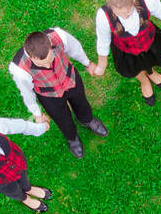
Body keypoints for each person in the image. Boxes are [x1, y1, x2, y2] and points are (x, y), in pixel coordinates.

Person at [9, 28, 108, 158]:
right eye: (42, 63)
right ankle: (72, 137)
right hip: (49, 94)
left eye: (50, 59)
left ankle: (87, 120)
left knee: (81, 102)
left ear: (50, 44)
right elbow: (26, 92)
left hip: (69, 78)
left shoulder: (58, 36)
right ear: (30, 56)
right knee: (62, 119)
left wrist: (87, 63)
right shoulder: (19, 69)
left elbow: (74, 48)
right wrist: (37, 113)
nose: (48, 65)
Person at [87, 0, 161, 105]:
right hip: (126, 51)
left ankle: (151, 72)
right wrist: (102, 66)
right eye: (119, 13)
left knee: (150, 60)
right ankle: (144, 80)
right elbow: (103, 42)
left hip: (148, 42)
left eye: (128, 12)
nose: (124, 17)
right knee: (134, 67)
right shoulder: (103, 16)